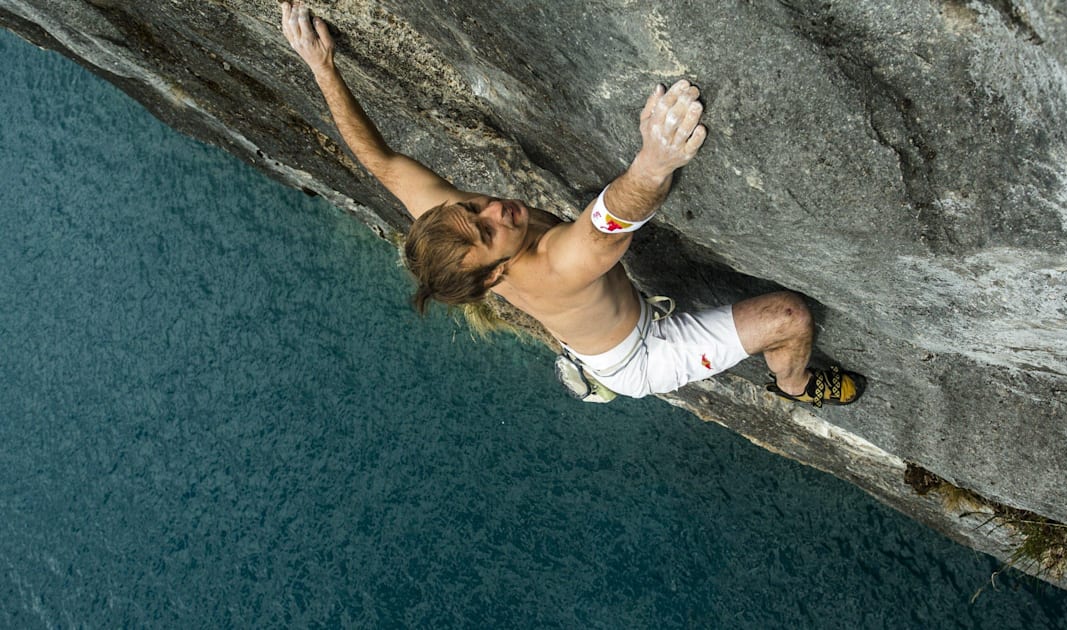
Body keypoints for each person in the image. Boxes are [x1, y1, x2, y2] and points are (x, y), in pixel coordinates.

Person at [279, 1, 863, 406]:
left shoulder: (455, 235)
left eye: (474, 206)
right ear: (496, 275)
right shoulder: (557, 265)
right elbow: (612, 218)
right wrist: (654, 161)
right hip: (643, 358)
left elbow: (378, 162)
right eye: (487, 232)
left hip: (590, 327)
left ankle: (582, 364)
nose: (496, 210)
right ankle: (794, 387)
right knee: (791, 319)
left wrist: (320, 65)